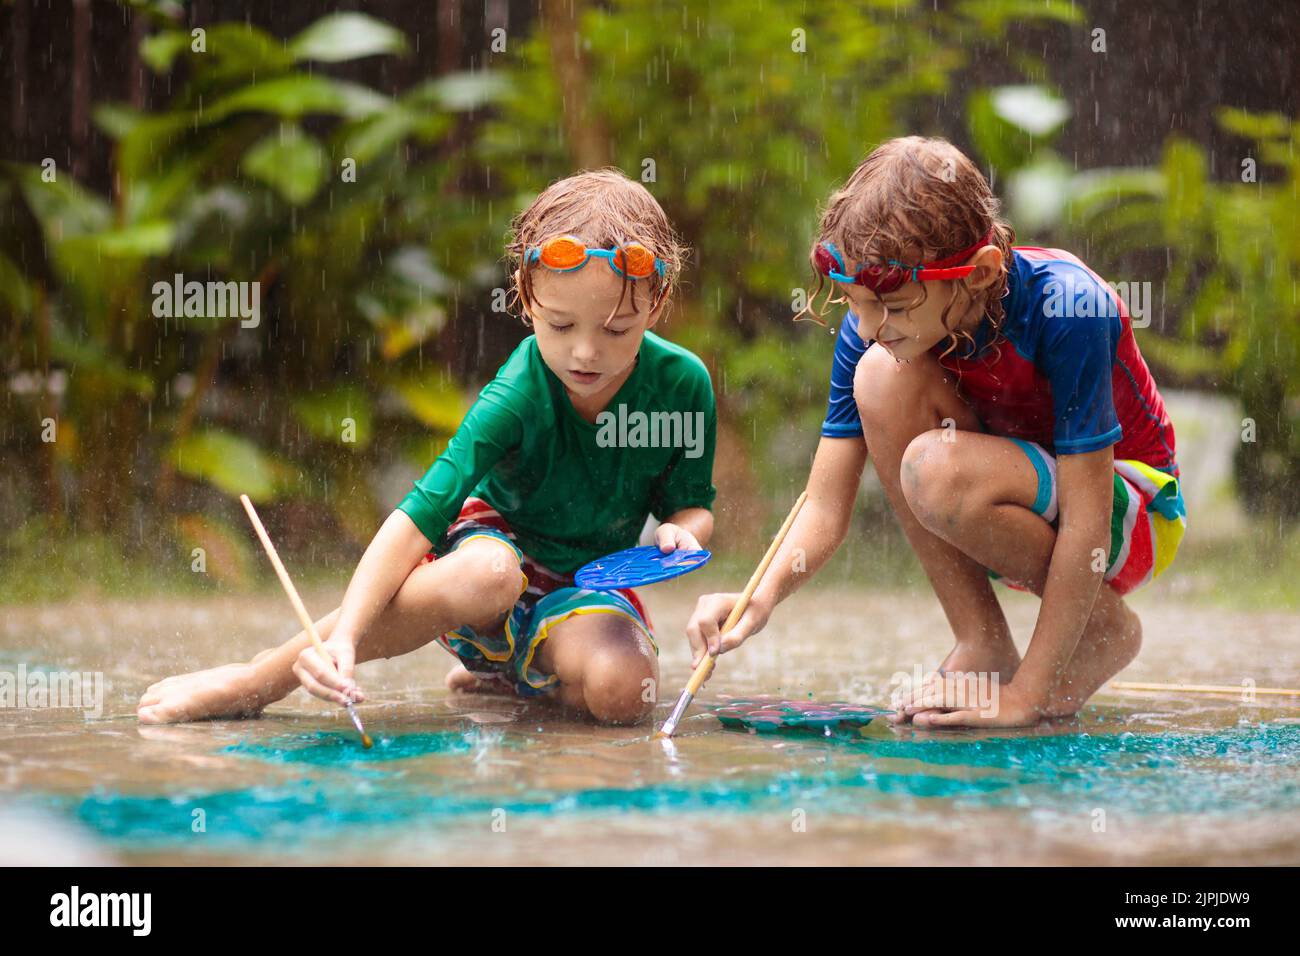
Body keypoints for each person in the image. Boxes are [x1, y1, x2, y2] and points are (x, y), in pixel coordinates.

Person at [139, 169, 716, 726]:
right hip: (489, 566)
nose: (584, 353)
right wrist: (339, 639)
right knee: (488, 574)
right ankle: (258, 677)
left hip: (588, 584)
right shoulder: (518, 393)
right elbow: (418, 517)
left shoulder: (682, 385)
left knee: (624, 695)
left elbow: (692, 508)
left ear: (657, 304)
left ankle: (512, 672)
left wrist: (685, 533)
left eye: (616, 330)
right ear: (526, 296)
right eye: (561, 326)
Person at [686, 137, 1185, 728]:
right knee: (879, 379)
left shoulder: (1069, 306)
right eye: (856, 303)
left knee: (937, 467)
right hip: (1007, 498)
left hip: (1128, 516)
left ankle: (1099, 629)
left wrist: (1027, 697)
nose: (869, 326)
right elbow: (823, 504)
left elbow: (1086, 518)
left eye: (892, 307)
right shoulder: (873, 326)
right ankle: (982, 640)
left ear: (978, 274)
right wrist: (755, 599)